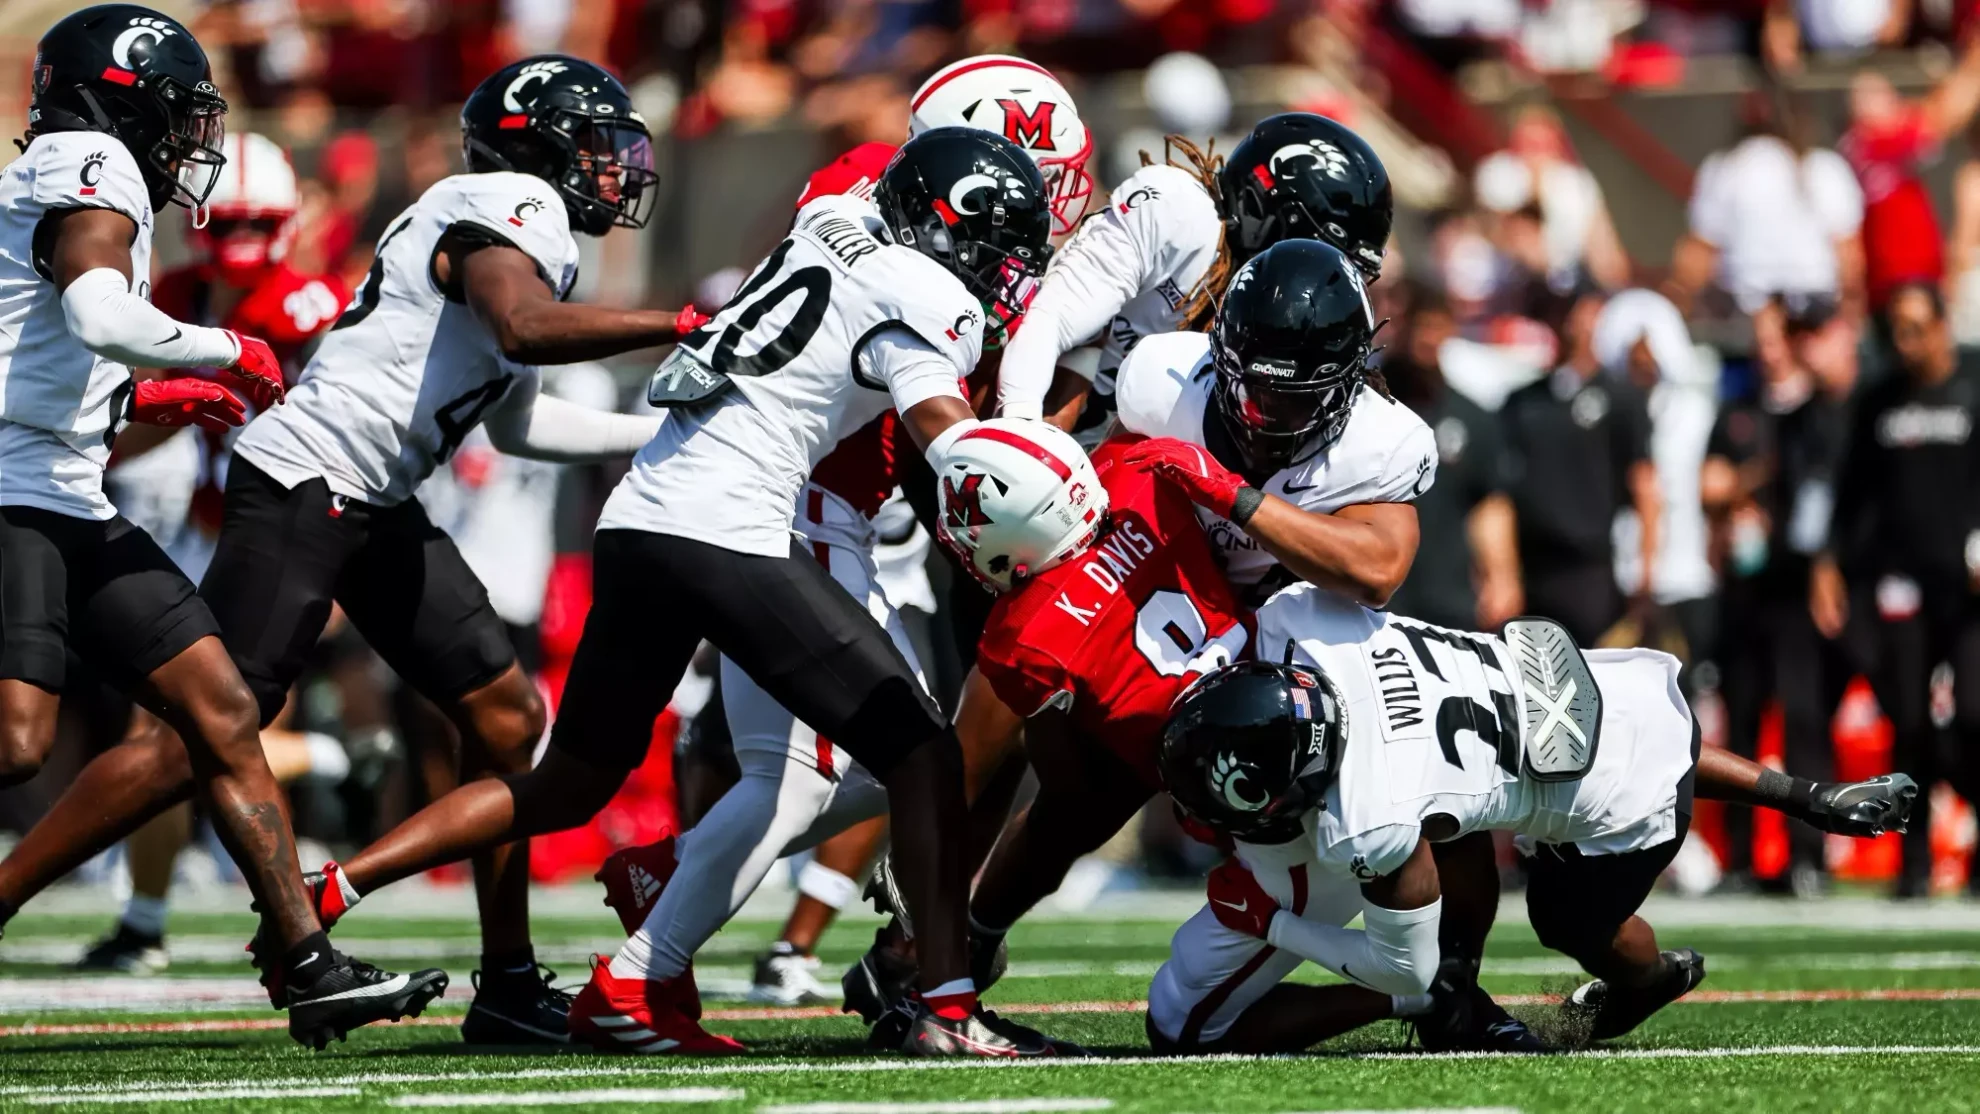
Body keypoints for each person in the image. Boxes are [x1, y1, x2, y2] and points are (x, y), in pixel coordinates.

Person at [292, 128, 1063, 1058]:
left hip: (639, 520)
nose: (1006, 273)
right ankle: (944, 1011)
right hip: (731, 531)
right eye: (998, 247)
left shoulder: (827, 220)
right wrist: (1018, 476)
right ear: (950, 227)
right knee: (924, 754)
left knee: (567, 781)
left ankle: (327, 890)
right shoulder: (928, 294)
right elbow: (941, 426)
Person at [0, 53, 693, 1045]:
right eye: (593, 143)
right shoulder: (508, 202)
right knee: (192, 738)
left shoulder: (519, 225)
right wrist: (686, 327)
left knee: (504, 715)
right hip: (307, 484)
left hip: (373, 497)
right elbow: (526, 329)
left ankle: (506, 980)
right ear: (540, 146)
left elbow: (520, 424)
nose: (614, 166)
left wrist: (673, 431)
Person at [594, 55, 1100, 1012]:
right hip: (801, 505)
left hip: (771, 499)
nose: (1048, 210)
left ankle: (663, 907)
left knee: (877, 764)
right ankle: (926, 996)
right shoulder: (922, 260)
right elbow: (940, 417)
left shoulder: (853, 194)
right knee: (895, 762)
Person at [0, 3, 442, 1048]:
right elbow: (102, 318)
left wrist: (149, 400)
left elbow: (47, 358)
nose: (185, 140)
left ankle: (305, 960)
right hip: (16, 488)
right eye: (176, 114)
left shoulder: (75, 171)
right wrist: (220, 353)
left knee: (220, 707)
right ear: (120, 100)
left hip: (65, 487)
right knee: (18, 741)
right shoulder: (89, 164)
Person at [1149, 588, 1916, 1052]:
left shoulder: (1369, 814)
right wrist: (1803, 799)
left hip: (1616, 804)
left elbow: (1399, 972)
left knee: (1569, 924)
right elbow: (1663, 735)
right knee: (1457, 810)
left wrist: (1272, 923)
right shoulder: (1310, 628)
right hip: (1607, 691)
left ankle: (1653, 980)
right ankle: (1809, 794)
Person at [75, 130, 353, 974]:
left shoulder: (312, 311)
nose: (235, 244)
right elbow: (134, 429)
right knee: (182, 727)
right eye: (223, 222)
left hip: (283, 536)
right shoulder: (177, 290)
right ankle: (165, 918)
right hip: (194, 529)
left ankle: (275, 922)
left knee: (212, 730)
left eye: (252, 223)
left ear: (287, 222)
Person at [996, 112, 1392, 434]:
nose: (1333, 279)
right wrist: (1020, 429)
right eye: (1333, 255)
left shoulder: (1293, 317)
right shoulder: (1181, 213)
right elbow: (1052, 320)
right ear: (1271, 215)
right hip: (1031, 415)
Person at [1820, 282, 1980, 897]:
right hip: (1901, 586)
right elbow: (1852, 492)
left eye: (1918, 328)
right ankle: (1913, 865)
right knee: (1908, 724)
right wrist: (1830, 564)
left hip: (1967, 593)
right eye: (1898, 331)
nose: (1907, 343)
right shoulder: (1880, 400)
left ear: (1943, 326)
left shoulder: (1973, 387)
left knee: (1973, 717)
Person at [1703, 297, 1857, 895]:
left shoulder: (1818, 413)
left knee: (1803, 721)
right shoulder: (1739, 411)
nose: (1769, 349)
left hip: (1796, 587)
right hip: (1745, 587)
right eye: (1761, 338)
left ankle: (1806, 856)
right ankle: (1739, 858)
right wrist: (1749, 481)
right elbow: (1709, 486)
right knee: (1739, 722)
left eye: (1778, 337)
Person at [1500, 286, 1660, 647]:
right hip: (1535, 568)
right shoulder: (1523, 402)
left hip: (1591, 569)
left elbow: (1646, 488)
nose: (1575, 324)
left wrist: (1646, 574)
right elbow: (1502, 497)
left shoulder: (1621, 397)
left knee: (1594, 679)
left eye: (1584, 313)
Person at [1382, 284, 1523, 632]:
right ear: (1402, 326)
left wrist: (1502, 577)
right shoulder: (1365, 408)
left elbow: (1488, 504)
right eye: (1421, 325)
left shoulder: (1471, 416)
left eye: (1438, 326)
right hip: (1379, 599)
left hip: (1449, 600)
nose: (1429, 337)